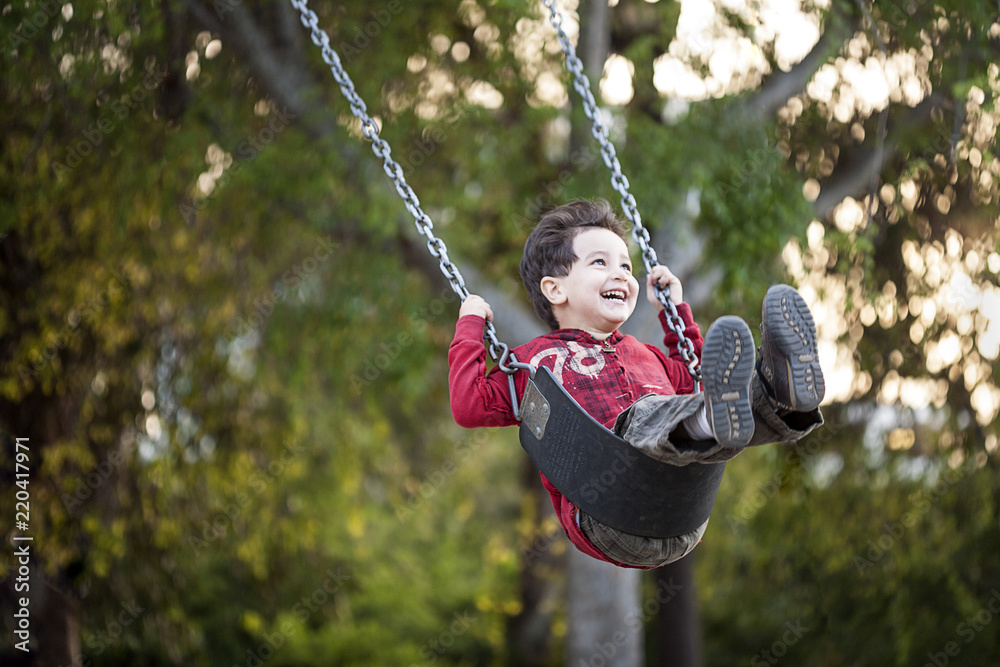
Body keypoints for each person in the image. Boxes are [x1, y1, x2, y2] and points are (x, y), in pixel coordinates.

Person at [448, 199, 825, 568]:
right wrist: (470, 325)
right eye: (600, 262)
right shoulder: (532, 363)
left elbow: (698, 373)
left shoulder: (647, 356)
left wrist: (674, 312)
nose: (623, 275)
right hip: (608, 512)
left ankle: (779, 394)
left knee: (706, 402)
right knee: (642, 418)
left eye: (626, 266)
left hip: (682, 510)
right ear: (555, 290)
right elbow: (468, 404)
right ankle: (715, 420)